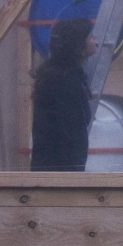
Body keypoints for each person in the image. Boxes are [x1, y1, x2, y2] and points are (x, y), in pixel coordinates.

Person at [30, 18, 95, 171]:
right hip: (58, 174)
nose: (95, 39)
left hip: (57, 169)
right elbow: (68, 135)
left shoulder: (63, 76)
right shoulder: (65, 83)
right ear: (78, 45)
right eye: (90, 36)